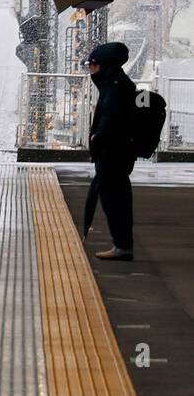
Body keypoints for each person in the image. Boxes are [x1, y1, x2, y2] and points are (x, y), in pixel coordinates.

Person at [85, 41, 136, 261]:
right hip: (116, 152)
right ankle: (121, 244)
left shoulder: (115, 87)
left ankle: (122, 246)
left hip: (113, 152)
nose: (90, 68)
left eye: (93, 64)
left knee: (114, 199)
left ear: (103, 65)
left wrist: (99, 136)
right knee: (115, 197)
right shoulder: (115, 84)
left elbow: (111, 117)